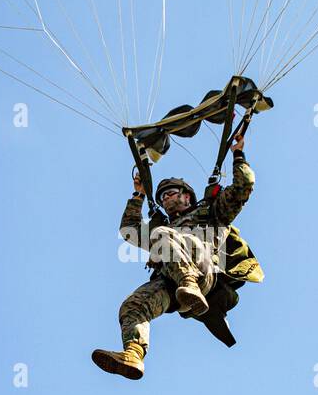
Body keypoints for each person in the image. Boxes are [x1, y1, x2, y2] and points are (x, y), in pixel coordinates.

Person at [92, 129, 259, 380]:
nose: (167, 198)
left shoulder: (212, 213)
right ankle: (134, 354)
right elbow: (129, 230)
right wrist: (139, 195)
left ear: (187, 195)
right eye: (162, 196)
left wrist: (238, 155)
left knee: (162, 235)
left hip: (204, 274)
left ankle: (188, 283)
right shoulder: (165, 227)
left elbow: (244, 185)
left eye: (171, 193)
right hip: (175, 291)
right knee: (133, 305)